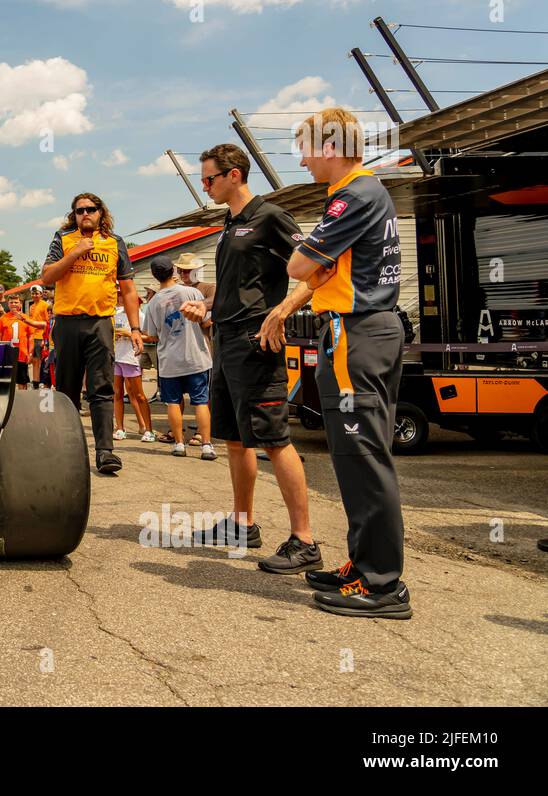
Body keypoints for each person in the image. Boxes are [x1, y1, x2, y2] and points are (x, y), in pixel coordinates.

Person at [285, 107, 411, 619]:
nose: (303, 159)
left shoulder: (354, 194)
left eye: (307, 148)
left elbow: (299, 265)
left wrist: (312, 262)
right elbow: (314, 268)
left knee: (362, 456)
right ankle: (364, 565)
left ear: (331, 148)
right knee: (356, 455)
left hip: (356, 332)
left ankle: (382, 583)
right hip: (363, 331)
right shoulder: (363, 193)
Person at [180, 144, 319, 573]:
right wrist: (207, 308)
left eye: (209, 179)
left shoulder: (271, 216)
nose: (204, 186)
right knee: (235, 438)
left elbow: (319, 271)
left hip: (257, 343)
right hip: (225, 340)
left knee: (275, 440)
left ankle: (305, 540)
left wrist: (281, 311)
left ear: (235, 175)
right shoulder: (230, 223)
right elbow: (235, 284)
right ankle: (243, 525)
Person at [40, 192, 142, 475]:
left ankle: (105, 452)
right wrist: (74, 253)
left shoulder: (114, 242)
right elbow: (47, 277)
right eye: (79, 210)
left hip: (100, 323)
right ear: (74, 215)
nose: (85, 214)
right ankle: (66, 451)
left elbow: (129, 289)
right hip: (68, 322)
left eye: (91, 209)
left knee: (102, 389)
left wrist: (135, 328)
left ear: (100, 212)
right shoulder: (63, 238)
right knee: (67, 390)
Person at [141, 256, 215, 460]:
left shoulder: (154, 301)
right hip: (196, 356)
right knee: (200, 401)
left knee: (173, 402)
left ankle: (179, 444)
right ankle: (206, 445)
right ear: (174, 270)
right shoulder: (192, 292)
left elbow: (153, 334)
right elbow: (206, 321)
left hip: (169, 360)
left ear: (155, 276)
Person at [112, 303, 154, 441]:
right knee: (117, 393)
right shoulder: (116, 315)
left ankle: (149, 430)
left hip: (131, 358)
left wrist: (130, 334)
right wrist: (115, 335)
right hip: (116, 357)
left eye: (122, 294)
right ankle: (120, 428)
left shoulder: (139, 316)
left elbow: (151, 337)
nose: (119, 297)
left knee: (138, 395)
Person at [0, 295, 41, 389]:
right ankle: (9, 401)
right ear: (8, 304)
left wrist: (30, 353)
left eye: (16, 302)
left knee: (22, 381)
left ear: (20, 304)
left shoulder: (26, 318)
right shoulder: (3, 318)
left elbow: (31, 337)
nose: (13, 304)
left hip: (21, 354)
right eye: (11, 302)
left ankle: (21, 401)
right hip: (7, 355)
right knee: (6, 380)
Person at [27, 285, 50, 388]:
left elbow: (47, 322)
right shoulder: (31, 306)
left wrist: (45, 339)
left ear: (41, 294)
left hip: (41, 336)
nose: (34, 295)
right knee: (34, 360)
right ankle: (35, 381)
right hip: (33, 335)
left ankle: (42, 381)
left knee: (41, 360)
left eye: (37, 293)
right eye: (33, 293)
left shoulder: (45, 305)